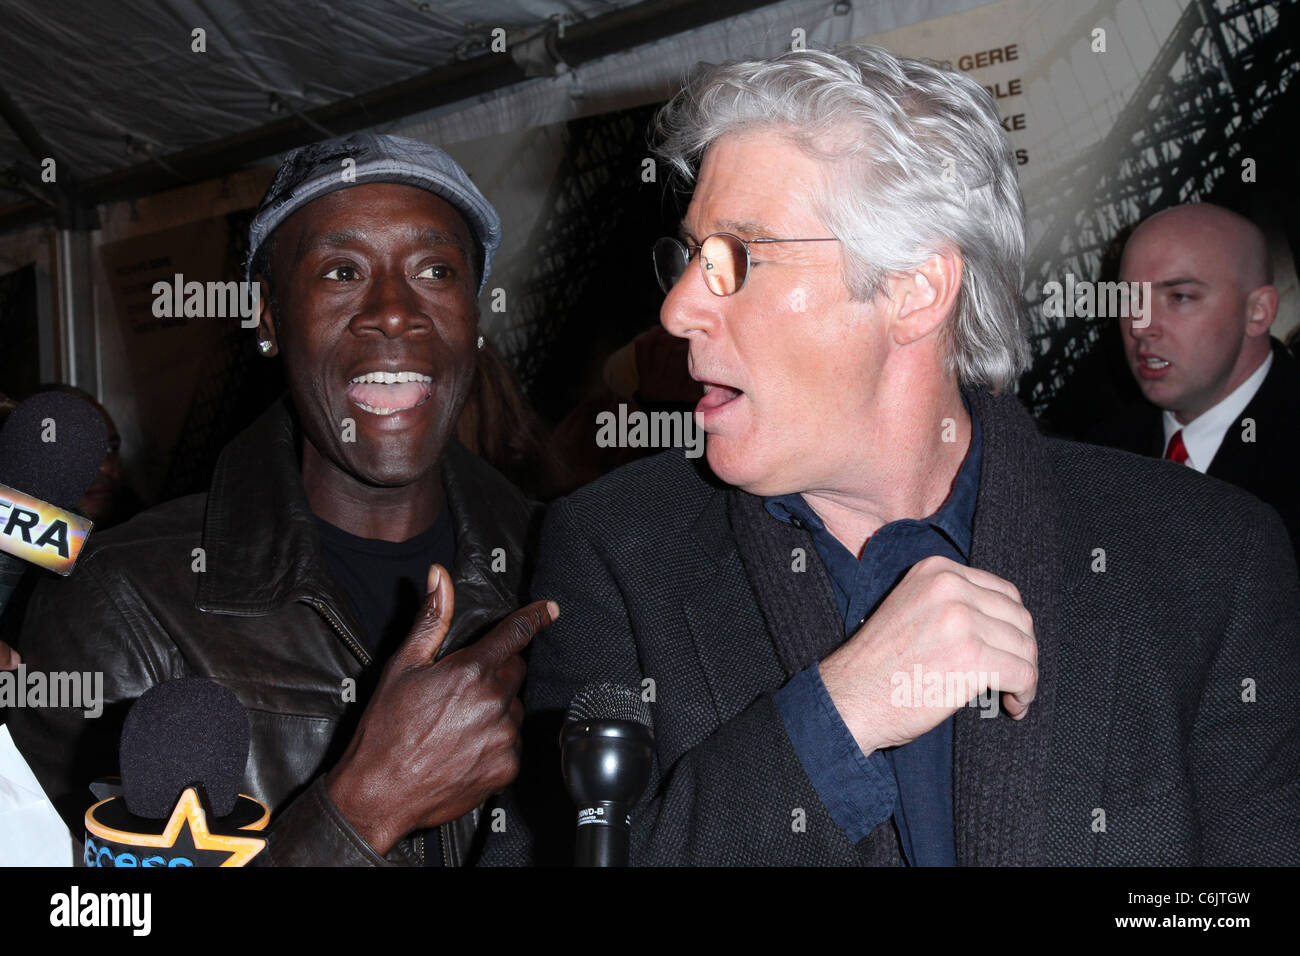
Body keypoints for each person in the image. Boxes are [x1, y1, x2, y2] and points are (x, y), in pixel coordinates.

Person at [487, 46, 1300, 866]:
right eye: (690, 257)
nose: (677, 307)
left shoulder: (1206, 555)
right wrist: (832, 722)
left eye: (739, 256)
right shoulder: (613, 553)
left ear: (914, 290)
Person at [9, 132, 556, 866]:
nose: (394, 312)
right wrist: (359, 812)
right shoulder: (124, 604)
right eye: (340, 271)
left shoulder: (567, 570)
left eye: (434, 270)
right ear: (268, 319)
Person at [1088, 203, 1300, 564]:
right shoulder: (1099, 457)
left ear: (1259, 312)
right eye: (1129, 299)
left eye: (1179, 297)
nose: (1140, 326)